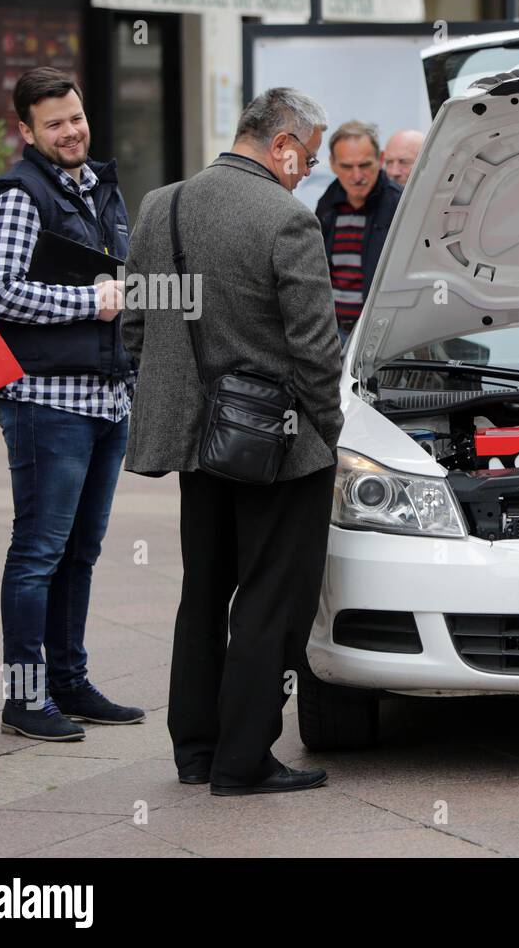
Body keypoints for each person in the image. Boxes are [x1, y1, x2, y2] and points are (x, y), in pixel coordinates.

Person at [122, 87, 343, 795]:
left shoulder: (161, 206)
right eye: (306, 158)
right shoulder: (288, 221)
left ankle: (195, 750)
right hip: (277, 446)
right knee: (270, 598)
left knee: (205, 590)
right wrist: (330, 434)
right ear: (281, 144)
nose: (305, 172)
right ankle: (243, 760)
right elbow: (315, 352)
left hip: (195, 445)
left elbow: (135, 327)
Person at [0, 67, 143, 741]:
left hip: (106, 398)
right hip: (47, 402)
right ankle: (24, 696)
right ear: (27, 131)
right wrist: (91, 301)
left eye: (74, 117)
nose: (70, 131)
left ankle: (69, 683)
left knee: (81, 551)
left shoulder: (101, 187)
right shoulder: (18, 194)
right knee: (39, 550)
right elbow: (0, 292)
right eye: (53, 123)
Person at [314, 121, 401, 345]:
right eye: (346, 166)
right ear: (332, 164)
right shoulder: (326, 204)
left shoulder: (399, 204)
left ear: (380, 160)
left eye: (364, 165)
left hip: (382, 337)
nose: (356, 176)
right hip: (335, 333)